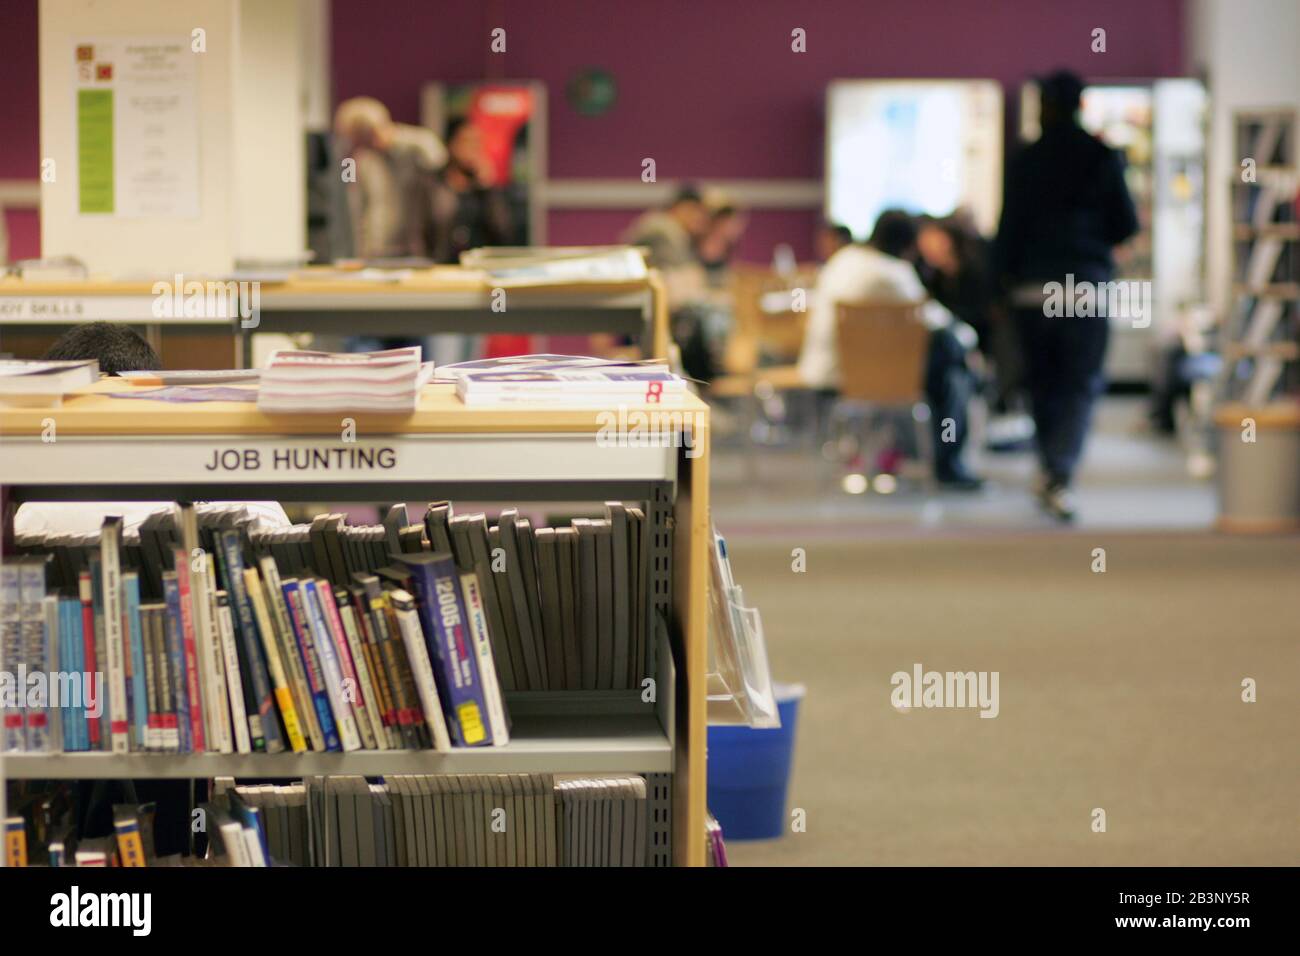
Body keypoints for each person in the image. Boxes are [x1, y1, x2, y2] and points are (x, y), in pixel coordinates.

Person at [994, 70, 1139, 521]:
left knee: (1043, 383)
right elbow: (1125, 225)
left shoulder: (1026, 160)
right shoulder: (1101, 157)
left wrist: (1000, 287)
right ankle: (1061, 470)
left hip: (1033, 291)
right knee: (1079, 383)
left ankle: (1049, 465)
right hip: (1084, 289)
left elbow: (1008, 233)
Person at [798, 209, 983, 489]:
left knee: (944, 358)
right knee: (952, 367)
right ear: (909, 246)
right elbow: (946, 325)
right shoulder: (895, 273)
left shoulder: (842, 260)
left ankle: (909, 451)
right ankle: (948, 462)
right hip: (873, 379)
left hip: (829, 371)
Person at [333, 96, 446, 260]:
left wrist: (395, 136)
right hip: (373, 251)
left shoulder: (411, 151)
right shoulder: (358, 161)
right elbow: (354, 207)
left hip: (413, 249)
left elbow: (437, 157)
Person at [425, 117, 513, 265]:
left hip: (479, 267)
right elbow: (418, 235)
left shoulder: (484, 189)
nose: (473, 149)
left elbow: (504, 233)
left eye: (477, 143)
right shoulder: (430, 184)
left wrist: (487, 188)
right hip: (441, 268)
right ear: (450, 144)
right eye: (466, 142)